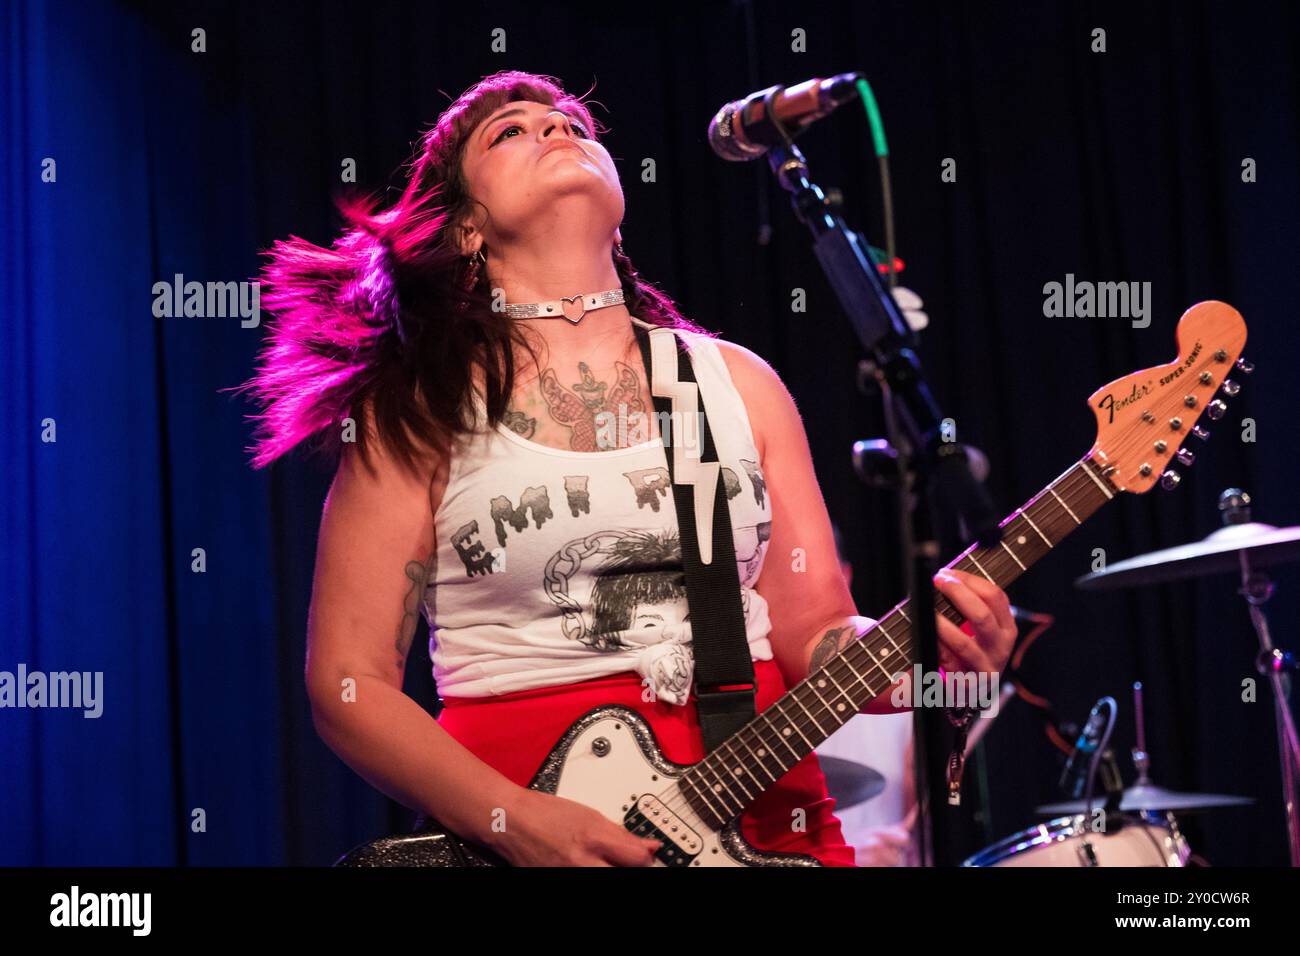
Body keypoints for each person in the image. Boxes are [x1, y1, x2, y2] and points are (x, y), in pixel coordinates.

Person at [237, 70, 1016, 867]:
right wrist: (516, 818)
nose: (556, 130)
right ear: (468, 228)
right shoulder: (418, 408)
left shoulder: (736, 384)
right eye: (512, 131)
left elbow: (815, 638)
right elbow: (348, 684)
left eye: (573, 124)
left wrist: (925, 660)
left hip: (767, 831)